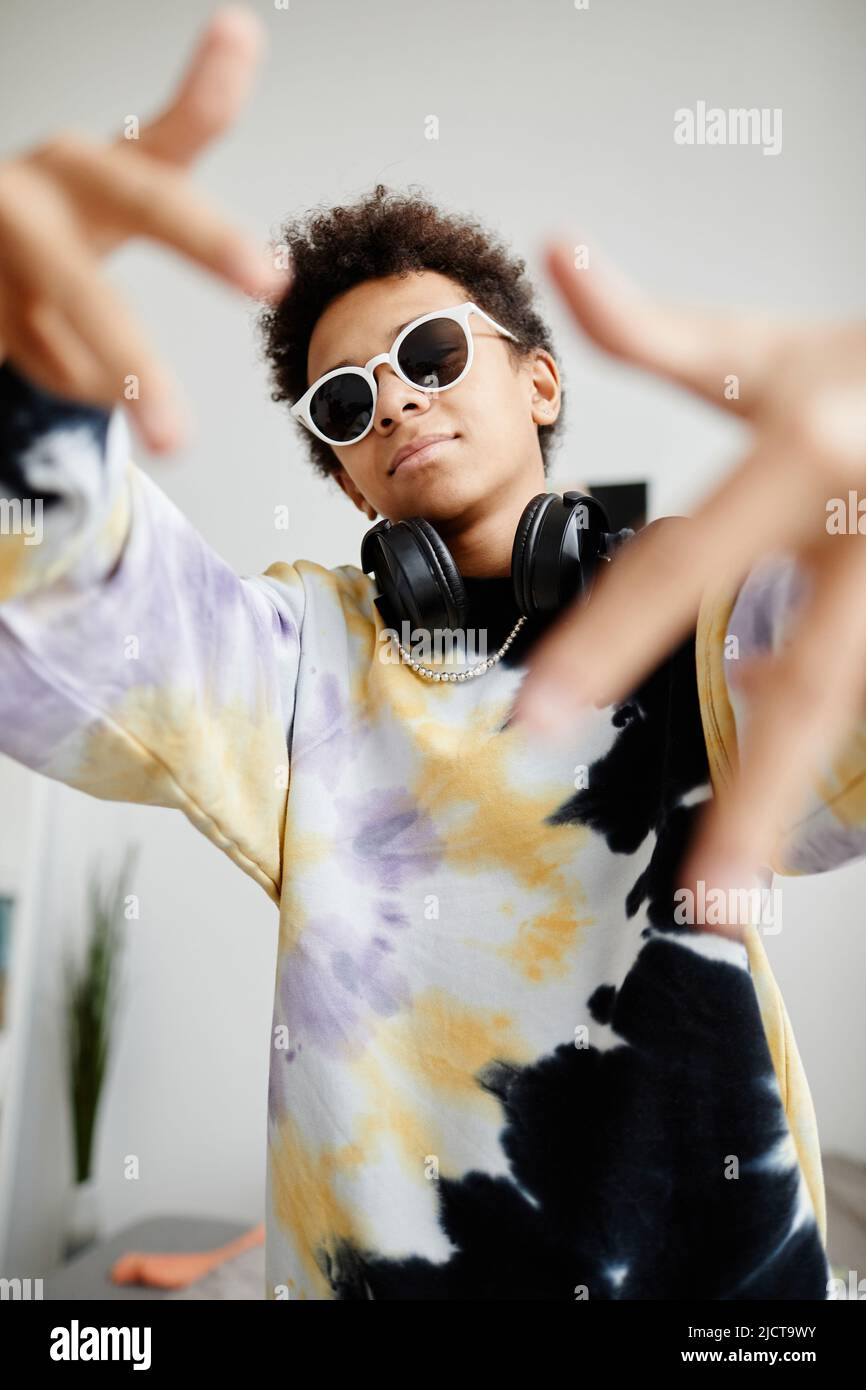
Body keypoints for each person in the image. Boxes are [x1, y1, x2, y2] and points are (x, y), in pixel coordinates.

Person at [1, 6, 864, 1301]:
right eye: (345, 403)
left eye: (431, 354)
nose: (395, 398)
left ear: (540, 382)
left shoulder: (706, 601)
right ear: (350, 483)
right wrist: (25, 395)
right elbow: (80, 605)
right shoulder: (297, 658)